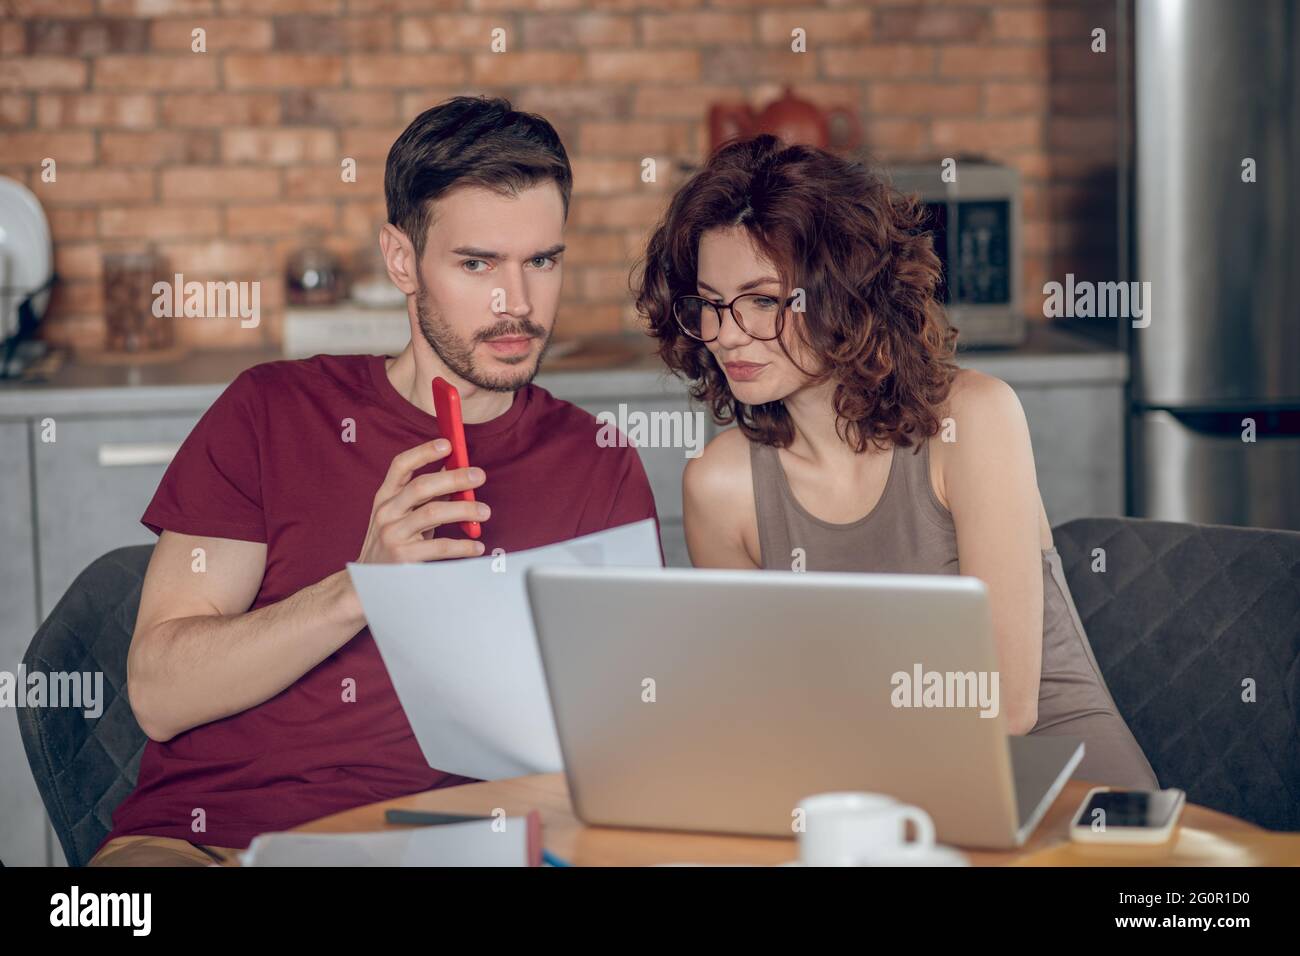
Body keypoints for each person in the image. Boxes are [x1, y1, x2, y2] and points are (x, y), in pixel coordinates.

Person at [90, 96, 659, 867]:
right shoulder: (270, 411)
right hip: (209, 842)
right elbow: (159, 695)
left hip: (453, 848)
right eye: (477, 263)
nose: (517, 304)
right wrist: (361, 588)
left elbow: (623, 739)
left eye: (543, 261)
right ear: (401, 261)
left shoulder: (597, 458)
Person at [635, 134, 1157, 790]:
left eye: (763, 301)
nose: (728, 333)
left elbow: (1006, 706)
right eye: (710, 304)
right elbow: (766, 709)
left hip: (1059, 775)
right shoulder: (719, 487)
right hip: (867, 787)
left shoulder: (974, 418)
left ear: (844, 296)